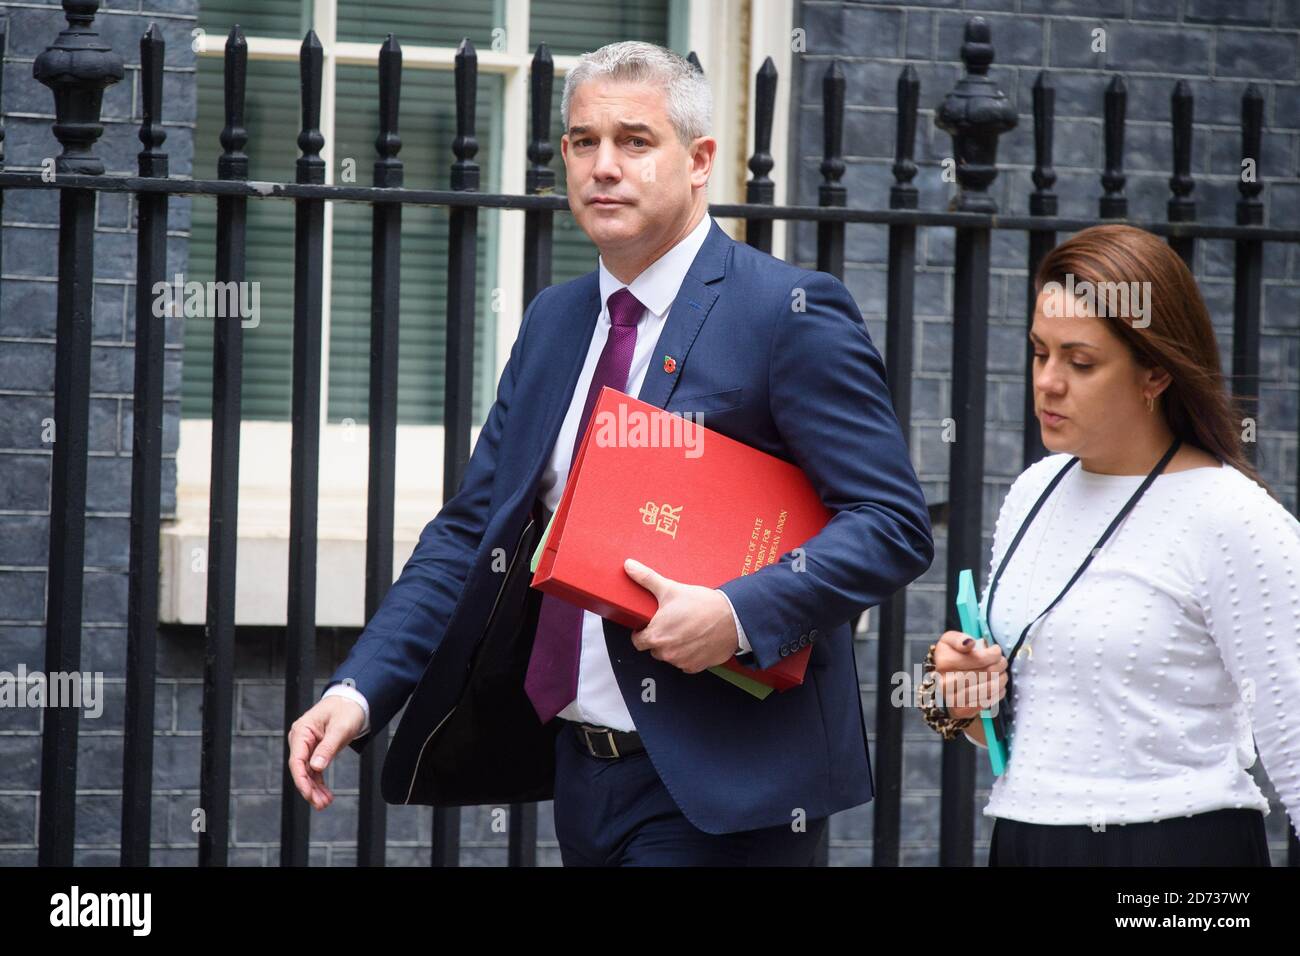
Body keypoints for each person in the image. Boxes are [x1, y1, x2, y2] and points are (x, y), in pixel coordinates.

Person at [286, 40, 933, 865]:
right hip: (579, 774)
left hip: (721, 792)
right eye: (585, 142)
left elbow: (891, 523)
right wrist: (360, 687)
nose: (604, 167)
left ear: (699, 161)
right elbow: (472, 531)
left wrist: (738, 616)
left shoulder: (786, 313)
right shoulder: (555, 321)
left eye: (635, 141)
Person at [924, 223, 1300, 866]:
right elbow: (1033, 723)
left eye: (1081, 362)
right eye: (1040, 353)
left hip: (1172, 848)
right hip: (1023, 836)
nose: (1048, 381)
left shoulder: (1232, 516)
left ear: (1156, 373)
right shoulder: (1034, 491)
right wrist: (961, 694)